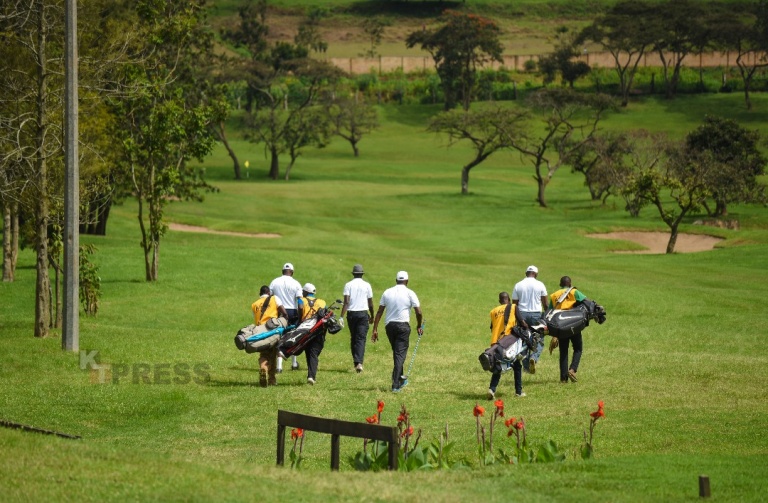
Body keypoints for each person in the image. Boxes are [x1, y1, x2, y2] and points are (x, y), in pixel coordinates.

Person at [371, 271, 423, 393]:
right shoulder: (410, 293)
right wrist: (419, 326)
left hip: (389, 326)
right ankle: (395, 384)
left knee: (397, 353)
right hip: (403, 326)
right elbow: (419, 312)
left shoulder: (387, 292)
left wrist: (375, 329)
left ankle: (400, 378)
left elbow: (379, 312)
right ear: (407, 281)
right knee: (400, 355)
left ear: (396, 280)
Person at [548, 276, 588, 384]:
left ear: (560, 284)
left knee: (563, 352)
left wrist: (554, 334)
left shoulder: (554, 295)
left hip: (561, 326)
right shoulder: (574, 292)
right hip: (573, 324)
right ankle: (572, 369)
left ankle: (563, 378)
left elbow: (550, 314)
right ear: (570, 284)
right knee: (578, 348)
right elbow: (586, 303)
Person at [487, 292, 525, 400]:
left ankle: (492, 389)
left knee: (498, 367)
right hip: (508, 342)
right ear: (508, 299)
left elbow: (492, 327)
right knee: (517, 365)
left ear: (499, 301)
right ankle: (518, 392)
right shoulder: (513, 307)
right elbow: (522, 322)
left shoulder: (493, 311)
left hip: (495, 343)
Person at [512, 265, 548, 374]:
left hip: (522, 314)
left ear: (526, 273)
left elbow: (514, 304)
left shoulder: (518, 285)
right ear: (536, 274)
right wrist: (547, 315)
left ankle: (526, 365)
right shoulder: (540, 284)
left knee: (523, 339)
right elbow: (545, 303)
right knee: (540, 339)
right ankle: (534, 357)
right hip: (536, 314)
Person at [251, 285, 289, 388]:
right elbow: (284, 312)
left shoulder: (254, 304)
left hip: (260, 332)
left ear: (260, 294)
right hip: (272, 330)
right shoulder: (274, 298)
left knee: (264, 354)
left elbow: (255, 319)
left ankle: (263, 367)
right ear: (269, 293)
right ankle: (272, 379)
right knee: (273, 354)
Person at [340, 264, 374, 373]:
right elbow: (370, 303)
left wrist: (341, 316)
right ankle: (359, 362)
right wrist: (372, 315)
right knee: (361, 338)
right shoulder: (367, 285)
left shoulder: (348, 285)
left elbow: (346, 302)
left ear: (353, 274)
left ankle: (356, 362)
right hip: (363, 314)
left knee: (353, 338)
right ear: (362, 274)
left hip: (351, 314)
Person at [269, 262, 303, 372]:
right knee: (293, 337)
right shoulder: (296, 284)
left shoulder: (274, 282)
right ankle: (293, 363)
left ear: (282, 271)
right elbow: (300, 301)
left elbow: (269, 297)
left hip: (279, 311)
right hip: (292, 312)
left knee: (279, 336)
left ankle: (279, 366)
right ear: (292, 272)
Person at [297, 283, 327, 385]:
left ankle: (311, 375)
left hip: (305, 330)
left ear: (305, 292)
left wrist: (299, 319)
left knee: (310, 352)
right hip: (319, 331)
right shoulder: (322, 302)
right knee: (313, 353)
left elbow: (300, 307)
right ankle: (311, 376)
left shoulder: (302, 300)